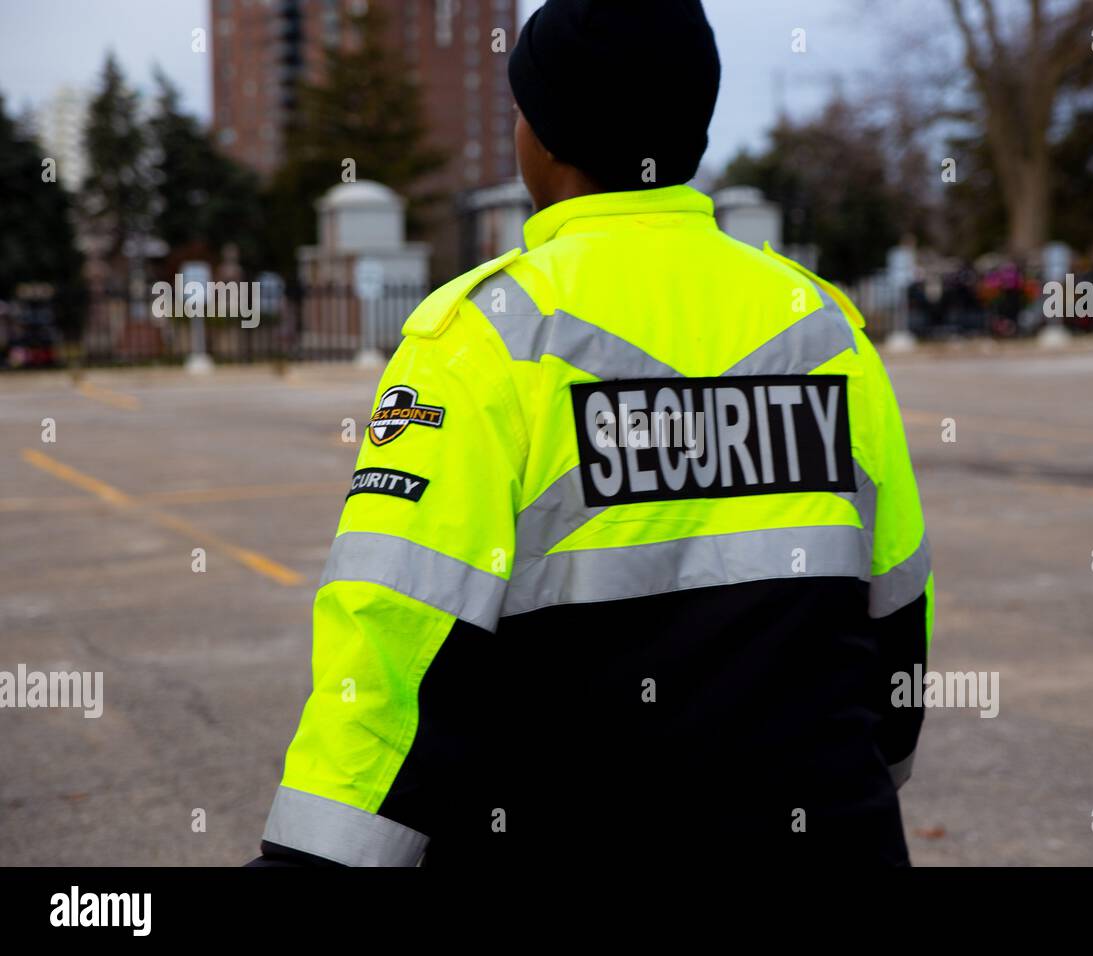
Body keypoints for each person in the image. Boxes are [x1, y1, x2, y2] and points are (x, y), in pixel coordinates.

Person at [251, 0, 931, 866]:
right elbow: (897, 610)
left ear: (542, 138)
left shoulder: (484, 335)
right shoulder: (824, 328)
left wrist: (313, 861)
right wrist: (863, 773)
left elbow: (396, 636)